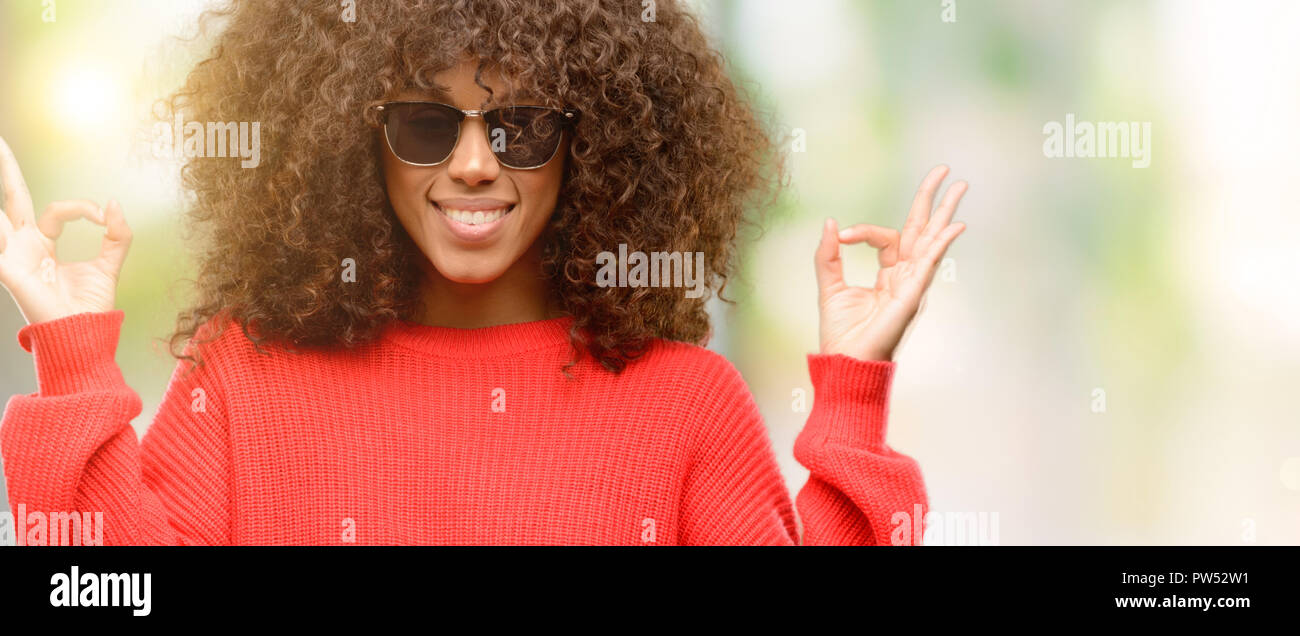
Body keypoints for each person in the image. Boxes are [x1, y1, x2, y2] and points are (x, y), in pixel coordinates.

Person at [0, 0, 966, 545]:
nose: (472, 163)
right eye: (426, 124)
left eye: (521, 127)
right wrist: (73, 358)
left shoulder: (685, 403)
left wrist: (851, 391)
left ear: (597, 147)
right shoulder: (243, 378)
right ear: (352, 143)